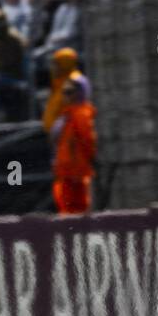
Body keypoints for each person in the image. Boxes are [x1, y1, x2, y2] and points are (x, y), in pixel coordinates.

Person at [50, 74, 96, 215]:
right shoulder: (67, 115)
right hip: (65, 172)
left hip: (76, 173)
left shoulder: (81, 114)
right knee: (66, 209)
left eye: (70, 92)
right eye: (65, 92)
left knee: (78, 210)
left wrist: (85, 163)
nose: (66, 96)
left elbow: (87, 141)